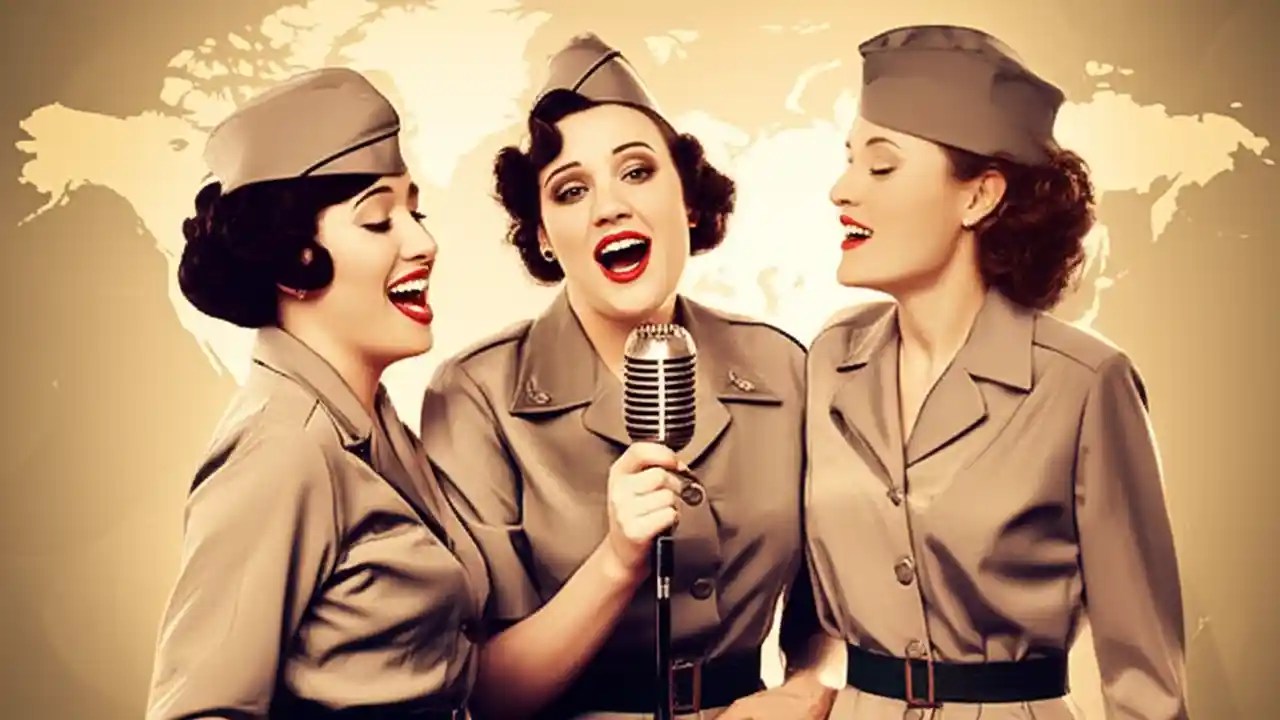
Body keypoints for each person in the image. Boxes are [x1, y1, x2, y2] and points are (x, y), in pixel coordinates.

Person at [420, 33, 835, 720]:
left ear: (690, 203)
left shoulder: (785, 370)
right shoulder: (476, 395)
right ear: (544, 234)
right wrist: (616, 559)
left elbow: (838, 610)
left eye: (637, 173)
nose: (609, 206)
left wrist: (808, 690)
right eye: (572, 189)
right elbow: (481, 695)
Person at [800, 24, 1191, 719]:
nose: (841, 189)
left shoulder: (1085, 384)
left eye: (881, 166)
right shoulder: (830, 358)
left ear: (978, 197)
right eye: (849, 160)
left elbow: (1144, 677)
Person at [145, 67, 488, 720]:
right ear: (295, 262)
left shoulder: (372, 422)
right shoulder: (280, 451)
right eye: (379, 222)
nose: (424, 242)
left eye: (415, 212)